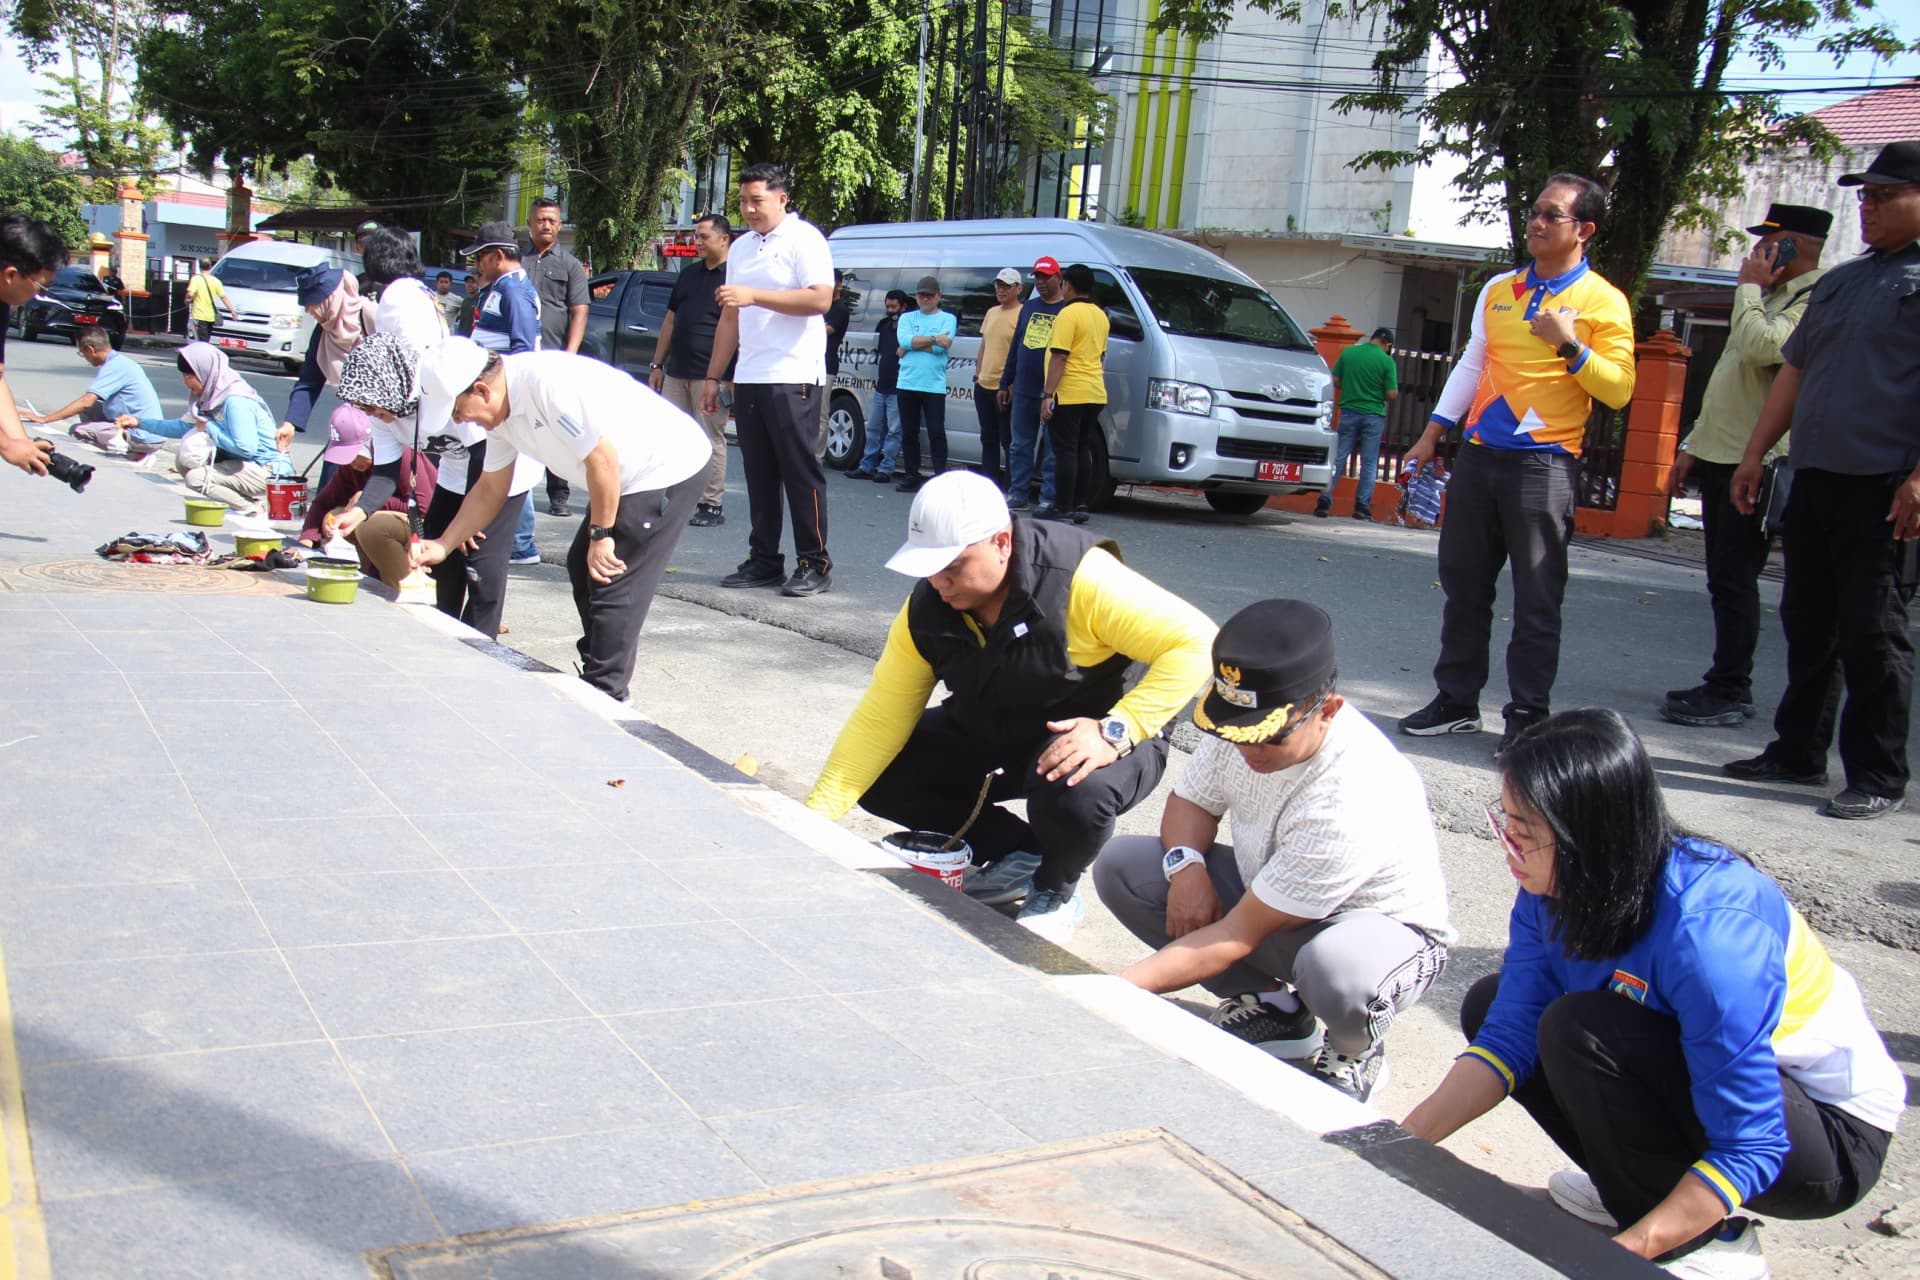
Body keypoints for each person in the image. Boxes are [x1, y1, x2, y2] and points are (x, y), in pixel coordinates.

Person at [1403, 710, 1903, 1279]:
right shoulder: (1556, 882)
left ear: (1589, 836)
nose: (1508, 844)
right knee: (1494, 1004)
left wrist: (1618, 1259)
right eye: (1506, 821)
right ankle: (1637, 1190)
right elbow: (1512, 1031)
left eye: (1524, 830)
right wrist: (1395, 1145)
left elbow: (1752, 1144)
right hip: (1717, 1094)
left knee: (1581, 1028)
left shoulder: (1710, 935)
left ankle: (1709, 1244)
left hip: (1822, 1140)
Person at [806, 471, 1215, 944]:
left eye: (954, 565)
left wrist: (1117, 730)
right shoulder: (928, 609)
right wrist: (808, 825)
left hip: (1100, 737)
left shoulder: (1078, 578)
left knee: (1075, 786)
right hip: (996, 725)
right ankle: (1022, 855)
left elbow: (1198, 643)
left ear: (1002, 542)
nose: (939, 581)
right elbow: (880, 718)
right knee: (883, 771)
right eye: (929, 566)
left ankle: (1055, 889)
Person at [1094, 599, 1452, 1102]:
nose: (1248, 750)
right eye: (1234, 734)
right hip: (1273, 901)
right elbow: (1190, 801)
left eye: (1268, 739)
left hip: (1375, 936)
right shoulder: (1249, 721)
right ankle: (1276, 1013)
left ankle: (1356, 1048)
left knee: (1339, 971)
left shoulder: (1354, 790)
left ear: (1327, 709)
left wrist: (1108, 996)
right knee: (1125, 867)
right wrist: (1187, 869)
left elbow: (1239, 933)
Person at [1396, 173, 1636, 756]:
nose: (1537, 222)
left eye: (1552, 215)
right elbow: (1473, 363)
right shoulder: (1500, 289)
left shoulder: (1603, 301)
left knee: (1536, 596)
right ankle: (1456, 701)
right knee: (1464, 585)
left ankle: (1528, 713)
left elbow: (1620, 390)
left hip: (1545, 464)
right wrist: (1432, 434)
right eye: (1535, 211)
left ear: (1585, 230)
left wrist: (1570, 344)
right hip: (1480, 456)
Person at [1724, 140, 1920, 821]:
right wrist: (1756, 453)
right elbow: (1797, 373)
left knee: (1873, 630)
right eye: (1864, 196)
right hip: (1815, 473)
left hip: (1884, 480)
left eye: (1886, 196)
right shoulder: (1842, 280)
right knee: (1807, 619)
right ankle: (1798, 750)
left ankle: (1877, 773)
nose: (1868, 207)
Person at [414, 337, 709, 700]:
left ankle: (608, 692)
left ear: (480, 389)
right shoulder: (501, 413)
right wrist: (443, 545)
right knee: (580, 565)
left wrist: (602, 535)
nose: (459, 421)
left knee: (611, 577)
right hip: (622, 474)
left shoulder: (546, 385)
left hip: (665, 466)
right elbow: (491, 487)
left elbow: (602, 460)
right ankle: (599, 668)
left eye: (458, 411)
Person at [1663, 204, 1829, 730]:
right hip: (1720, 451)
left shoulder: (1812, 298)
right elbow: (1730, 382)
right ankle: (1723, 679)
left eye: (1769, 243)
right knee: (1722, 578)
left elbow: (1764, 350)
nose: (1757, 253)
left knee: (1736, 579)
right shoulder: (1767, 299)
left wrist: (1750, 288)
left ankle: (1731, 689)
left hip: (1755, 462)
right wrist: (1692, 442)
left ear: (1792, 246)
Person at [701, 163, 836, 598]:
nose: (748, 209)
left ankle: (815, 562)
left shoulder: (805, 239)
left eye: (756, 200)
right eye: (742, 202)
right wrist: (714, 375)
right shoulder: (740, 248)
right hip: (751, 374)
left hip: (794, 372)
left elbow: (820, 298)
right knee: (759, 473)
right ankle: (764, 559)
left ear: (781, 198)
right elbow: (730, 315)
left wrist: (755, 295)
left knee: (799, 471)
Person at [459, 219, 547, 567]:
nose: (476, 265)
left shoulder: (513, 291)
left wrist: (505, 395)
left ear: (497, 256)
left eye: (479, 257)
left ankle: (521, 542)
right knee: (502, 463)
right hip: (493, 393)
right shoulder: (500, 287)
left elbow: (523, 349)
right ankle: (518, 539)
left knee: (510, 465)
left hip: (504, 395)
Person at [116, 343, 290, 512]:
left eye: (189, 377)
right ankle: (243, 501)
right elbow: (183, 427)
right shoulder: (210, 397)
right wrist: (139, 422)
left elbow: (246, 448)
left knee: (196, 479)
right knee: (185, 460)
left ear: (205, 372)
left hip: (267, 470)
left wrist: (209, 427)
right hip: (244, 464)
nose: (185, 383)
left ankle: (252, 510)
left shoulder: (235, 400)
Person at [648, 213, 734, 528]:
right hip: (676, 370)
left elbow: (739, 330)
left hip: (711, 374)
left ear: (723, 239)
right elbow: (670, 320)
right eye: (696, 236)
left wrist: (729, 377)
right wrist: (658, 364)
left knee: (710, 437)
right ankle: (675, 498)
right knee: (672, 436)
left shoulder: (734, 279)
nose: (697, 242)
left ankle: (711, 503)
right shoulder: (688, 275)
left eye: (703, 237)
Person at [297, 403, 436, 589]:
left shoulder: (401, 454)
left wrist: (369, 503)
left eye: (356, 455)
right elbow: (323, 502)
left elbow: (424, 506)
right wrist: (306, 541)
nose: (353, 462)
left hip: (420, 521)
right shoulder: (350, 466)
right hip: (381, 515)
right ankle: (370, 576)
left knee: (371, 526)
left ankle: (406, 585)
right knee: (335, 516)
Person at [525, 196, 591, 518]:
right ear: (530, 223)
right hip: (520, 357)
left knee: (556, 427)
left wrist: (570, 355)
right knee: (517, 422)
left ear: (560, 225)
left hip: (554, 358)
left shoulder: (570, 265)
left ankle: (559, 495)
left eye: (552, 220)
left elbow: (580, 312)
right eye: (540, 220)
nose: (546, 225)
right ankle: (512, 495)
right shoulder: (516, 261)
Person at [275, 263, 375, 452]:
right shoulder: (324, 331)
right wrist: (291, 423)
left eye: (312, 304)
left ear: (331, 299)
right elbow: (309, 381)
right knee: (332, 478)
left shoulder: (371, 315)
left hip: (384, 422)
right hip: (351, 422)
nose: (309, 311)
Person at [1040, 263, 1110, 524]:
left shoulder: (1067, 315)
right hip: (1094, 391)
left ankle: (1062, 506)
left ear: (1066, 284)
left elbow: (1059, 356)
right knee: (1081, 448)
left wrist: (1047, 394)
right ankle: (1080, 503)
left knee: (1065, 450)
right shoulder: (1100, 315)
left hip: (1070, 391)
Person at [24, 327, 161, 452]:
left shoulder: (115, 367)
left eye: (82, 353)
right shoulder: (119, 361)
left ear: (90, 349)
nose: (85, 358)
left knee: (79, 430)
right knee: (92, 409)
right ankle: (110, 438)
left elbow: (86, 402)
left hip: (142, 435)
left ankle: (127, 452)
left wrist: (45, 419)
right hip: (136, 425)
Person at [1000, 256, 1067, 512]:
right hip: (1025, 387)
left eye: (1046, 277)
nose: (1041, 282)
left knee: (1051, 448)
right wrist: (1006, 382)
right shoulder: (1029, 307)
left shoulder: (1066, 309)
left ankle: (1048, 497)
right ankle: (1018, 493)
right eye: (1037, 277)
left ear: (1058, 278)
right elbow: (1016, 345)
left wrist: (1050, 391)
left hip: (1053, 391)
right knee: (1020, 445)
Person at [0, 213, 65, 477]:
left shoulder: (3, 303)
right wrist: (6, 445)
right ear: (11, 275)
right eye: (40, 286)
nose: (39, 295)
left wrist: (21, 443)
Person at [1318, 327, 1399, 521]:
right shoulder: (1387, 361)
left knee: (1338, 458)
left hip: (1348, 413)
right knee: (1369, 463)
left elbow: (1336, 379)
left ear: (1372, 338)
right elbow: (1392, 393)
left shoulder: (1349, 352)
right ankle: (1361, 508)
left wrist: (1352, 388)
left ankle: (1323, 501)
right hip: (1373, 416)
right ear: (1387, 345)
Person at [893, 275, 956, 493]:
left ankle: (939, 475)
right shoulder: (906, 318)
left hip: (933, 386)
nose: (925, 298)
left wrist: (912, 344)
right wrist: (932, 339)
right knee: (909, 432)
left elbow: (942, 348)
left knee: (936, 432)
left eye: (929, 295)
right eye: (921, 295)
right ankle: (912, 474)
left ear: (938, 296)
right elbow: (903, 341)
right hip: (907, 382)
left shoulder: (948, 318)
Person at [848, 289, 907, 481]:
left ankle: (886, 468)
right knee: (873, 427)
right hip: (882, 385)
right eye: (887, 306)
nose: (890, 310)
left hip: (899, 387)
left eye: (894, 307)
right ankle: (867, 465)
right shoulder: (883, 326)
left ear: (903, 307)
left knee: (894, 430)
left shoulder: (907, 330)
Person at [973, 267, 1023, 487]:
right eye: (998, 286)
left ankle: (1013, 486)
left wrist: (1012, 382)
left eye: (1006, 286)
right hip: (983, 384)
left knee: (1008, 441)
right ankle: (989, 484)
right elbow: (984, 345)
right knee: (988, 438)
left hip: (1004, 387)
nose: (1001, 290)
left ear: (1018, 288)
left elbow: (1022, 352)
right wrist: (977, 374)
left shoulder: (1023, 313)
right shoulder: (992, 312)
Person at [816, 269, 850, 459]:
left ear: (838, 286)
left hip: (826, 364)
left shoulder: (840, 309)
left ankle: (817, 456)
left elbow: (825, 331)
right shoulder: (819, 305)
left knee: (821, 412)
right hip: (808, 362)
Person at [185, 257, 235, 341]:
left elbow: (190, 294)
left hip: (199, 315)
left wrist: (187, 301)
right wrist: (232, 311)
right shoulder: (216, 281)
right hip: (211, 316)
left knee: (199, 340)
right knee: (206, 338)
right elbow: (223, 297)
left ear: (199, 267)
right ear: (210, 266)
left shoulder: (196, 279)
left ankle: (202, 353)